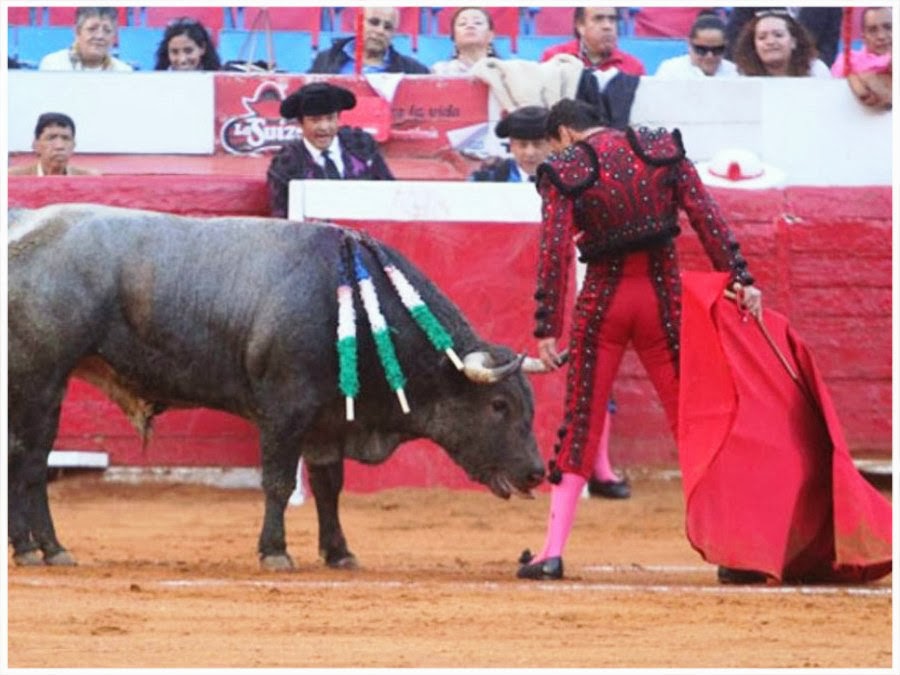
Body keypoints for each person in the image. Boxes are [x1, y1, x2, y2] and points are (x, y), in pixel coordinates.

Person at [516, 99, 762, 581]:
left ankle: (551, 553)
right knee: (690, 421)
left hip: (604, 306)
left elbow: (556, 249)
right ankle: (733, 552)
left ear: (565, 133)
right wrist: (740, 277)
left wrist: (548, 326)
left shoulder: (564, 169)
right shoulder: (661, 149)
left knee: (581, 420)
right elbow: (706, 216)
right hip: (662, 303)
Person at [266, 82, 394, 218]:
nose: (324, 127)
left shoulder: (361, 146)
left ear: (338, 118)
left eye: (330, 118)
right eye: (315, 120)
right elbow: (282, 218)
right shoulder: (287, 163)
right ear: (301, 123)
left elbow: (390, 195)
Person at [309, 6, 430, 74]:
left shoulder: (412, 70)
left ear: (393, 34)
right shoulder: (326, 60)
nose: (380, 31)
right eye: (374, 22)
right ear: (357, 23)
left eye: (387, 27)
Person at [540, 7, 646, 76]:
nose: (607, 26)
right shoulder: (555, 58)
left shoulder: (633, 67)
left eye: (612, 19)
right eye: (598, 19)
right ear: (580, 25)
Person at [725, 7, 842, 67]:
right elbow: (735, 39)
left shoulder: (817, 69)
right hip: (757, 72)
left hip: (807, 78)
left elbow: (829, 44)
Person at [732, 10, 831, 77]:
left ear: (793, 42)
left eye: (778, 35)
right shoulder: (741, 75)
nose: (770, 42)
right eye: (762, 37)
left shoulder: (816, 70)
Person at [38, 7, 132, 72]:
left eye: (107, 31)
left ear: (114, 36)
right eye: (92, 29)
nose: (100, 36)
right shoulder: (53, 65)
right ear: (77, 32)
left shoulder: (124, 71)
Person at [9, 112, 96, 176]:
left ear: (73, 145)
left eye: (66, 138)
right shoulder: (13, 178)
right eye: (51, 138)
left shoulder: (88, 179)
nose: (60, 146)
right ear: (35, 145)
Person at [655, 12, 738, 78]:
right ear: (689, 44)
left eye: (717, 50)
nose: (709, 56)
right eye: (701, 50)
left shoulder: (735, 73)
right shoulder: (670, 71)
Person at [432, 7, 499, 76]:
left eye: (478, 23)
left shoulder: (502, 70)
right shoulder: (441, 70)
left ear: (491, 35)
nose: (470, 26)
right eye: (463, 23)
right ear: (454, 37)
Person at [831, 7, 892, 76]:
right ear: (863, 37)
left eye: (888, 27)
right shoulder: (847, 61)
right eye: (873, 30)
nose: (881, 36)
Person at [154, 17, 222, 71]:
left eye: (188, 51)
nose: (182, 60)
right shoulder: (155, 82)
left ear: (202, 48)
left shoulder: (217, 80)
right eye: (174, 52)